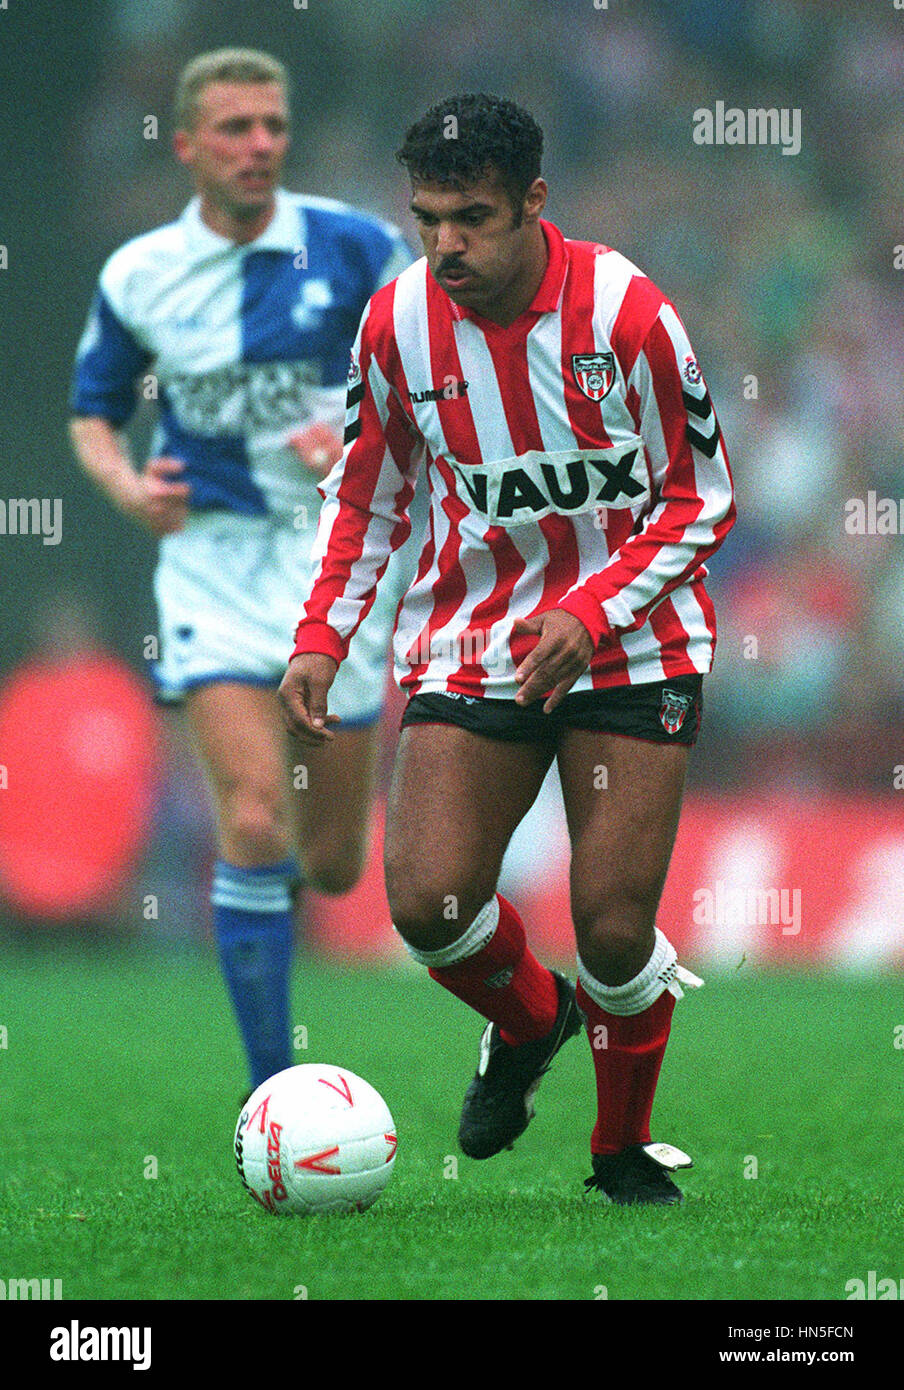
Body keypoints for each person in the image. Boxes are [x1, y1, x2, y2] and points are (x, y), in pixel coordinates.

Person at [279, 94, 735, 1205]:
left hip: (629, 643)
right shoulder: (396, 324)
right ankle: (533, 1023)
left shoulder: (626, 313)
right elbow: (368, 495)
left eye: (471, 218)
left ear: (534, 201)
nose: (446, 245)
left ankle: (618, 1149)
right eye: (428, 219)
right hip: (472, 638)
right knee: (428, 904)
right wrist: (322, 634)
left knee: (615, 925)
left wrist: (589, 610)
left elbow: (699, 497)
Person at [69, 49, 414, 1094]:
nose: (259, 143)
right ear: (186, 146)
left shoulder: (357, 248)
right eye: (234, 128)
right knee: (252, 816)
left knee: (334, 861)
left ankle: (314, 882)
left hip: (336, 566)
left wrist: (360, 435)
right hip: (212, 565)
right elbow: (93, 410)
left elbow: (442, 376)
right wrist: (129, 487)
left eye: (272, 124)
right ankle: (274, 1092)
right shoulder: (139, 274)